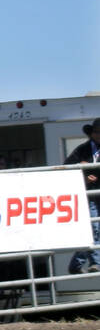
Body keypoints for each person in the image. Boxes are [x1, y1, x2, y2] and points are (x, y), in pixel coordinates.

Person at [67, 117, 100, 274]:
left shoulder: (83, 149)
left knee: (95, 229)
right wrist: (82, 172)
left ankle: (76, 264)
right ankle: (95, 263)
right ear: (92, 133)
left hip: (96, 192)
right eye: (96, 132)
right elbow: (66, 166)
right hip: (89, 194)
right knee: (94, 228)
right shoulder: (82, 150)